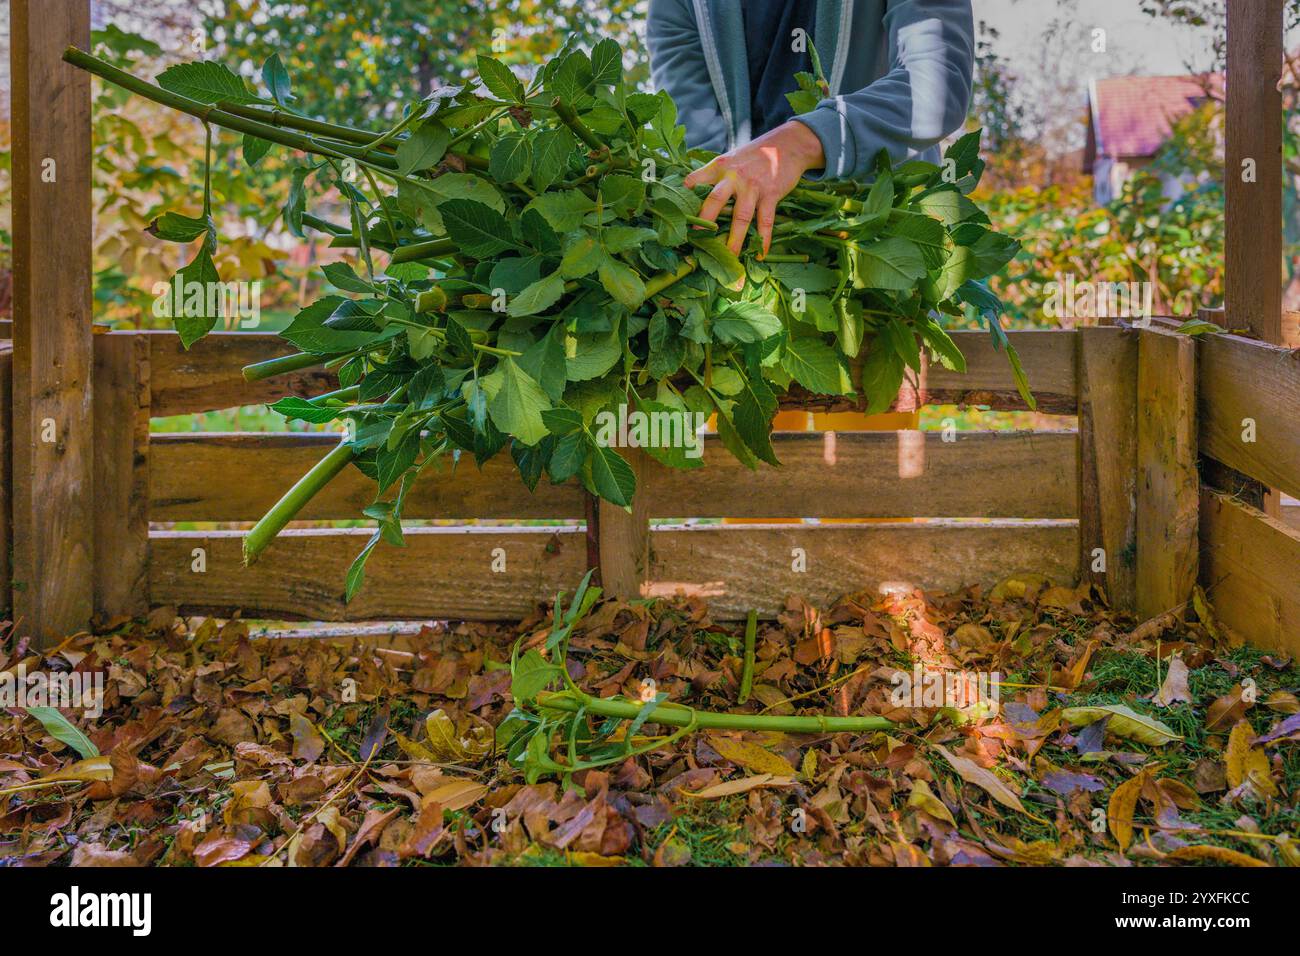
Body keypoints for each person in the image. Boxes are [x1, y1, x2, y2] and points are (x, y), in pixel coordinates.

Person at [647, 0, 975, 522]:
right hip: (743, 281)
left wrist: (799, 145)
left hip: (870, 265)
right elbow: (694, 136)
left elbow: (938, 83)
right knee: (753, 525)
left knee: (875, 539)